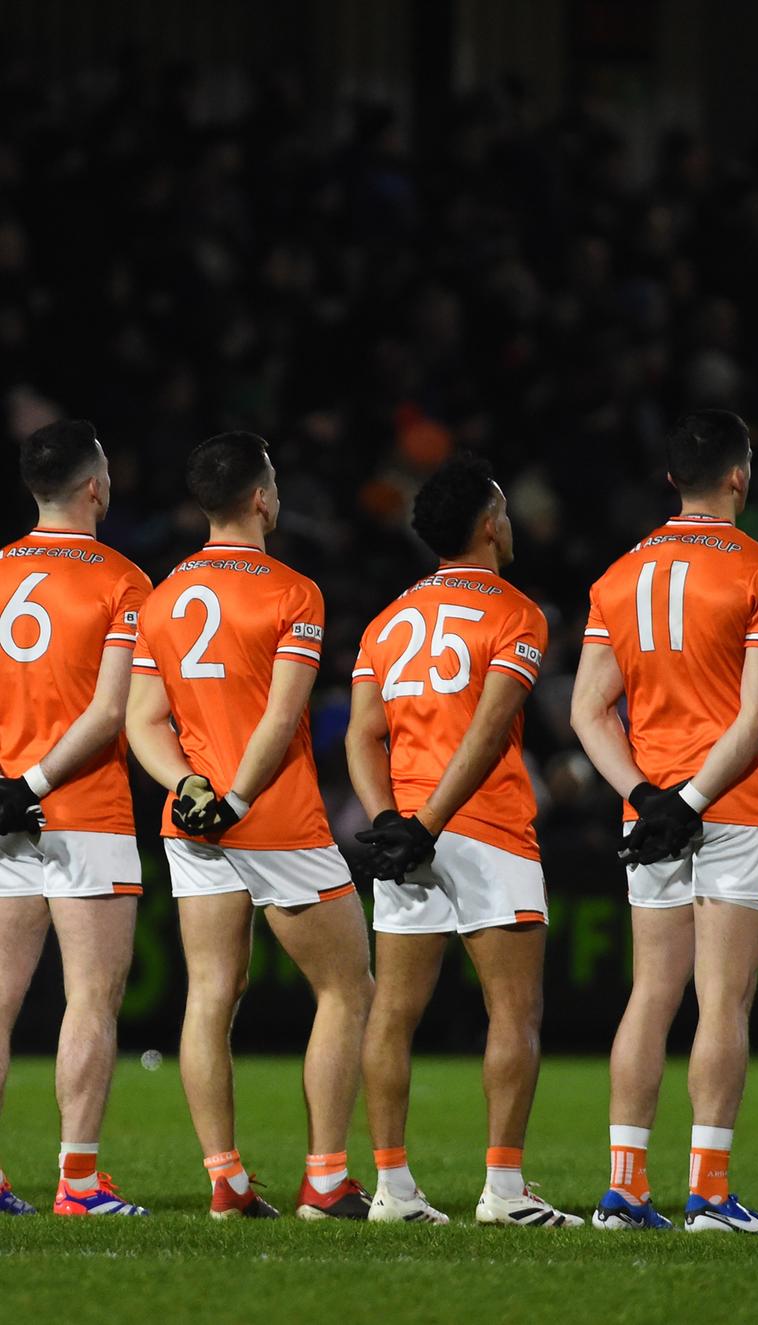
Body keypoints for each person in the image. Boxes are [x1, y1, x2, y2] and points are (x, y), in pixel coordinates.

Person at [124, 431, 374, 1220]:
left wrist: (189, 783)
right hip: (273, 815)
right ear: (261, 497)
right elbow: (281, 716)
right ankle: (326, 1178)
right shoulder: (293, 591)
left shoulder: (161, 599)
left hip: (192, 821)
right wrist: (232, 795)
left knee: (209, 993)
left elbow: (142, 722)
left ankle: (224, 1179)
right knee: (345, 987)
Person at [570, 411, 758, 1235]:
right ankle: (708, 1192)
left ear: (672, 479)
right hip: (731, 804)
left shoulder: (618, 574)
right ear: (738, 476)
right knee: (723, 1000)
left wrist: (645, 797)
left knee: (651, 992)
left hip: (652, 812)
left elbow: (588, 709)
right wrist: (691, 802)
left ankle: (625, 1190)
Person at [346, 454, 578, 1228]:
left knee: (393, 1012)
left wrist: (389, 822)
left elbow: (362, 734)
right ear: (487, 524)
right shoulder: (518, 612)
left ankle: (391, 1188)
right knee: (513, 1011)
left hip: (407, 834)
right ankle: (505, 1191)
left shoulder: (388, 620)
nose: (510, 521)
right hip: (482, 825)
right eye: (504, 509)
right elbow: (485, 732)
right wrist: (428, 824)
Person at [0, 421, 151, 1216]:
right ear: (95, 486)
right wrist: (36, 779)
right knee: (90, 996)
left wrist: (5, 783)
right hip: (80, 805)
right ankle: (79, 1182)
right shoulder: (123, 580)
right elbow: (111, 710)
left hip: (1, 811)